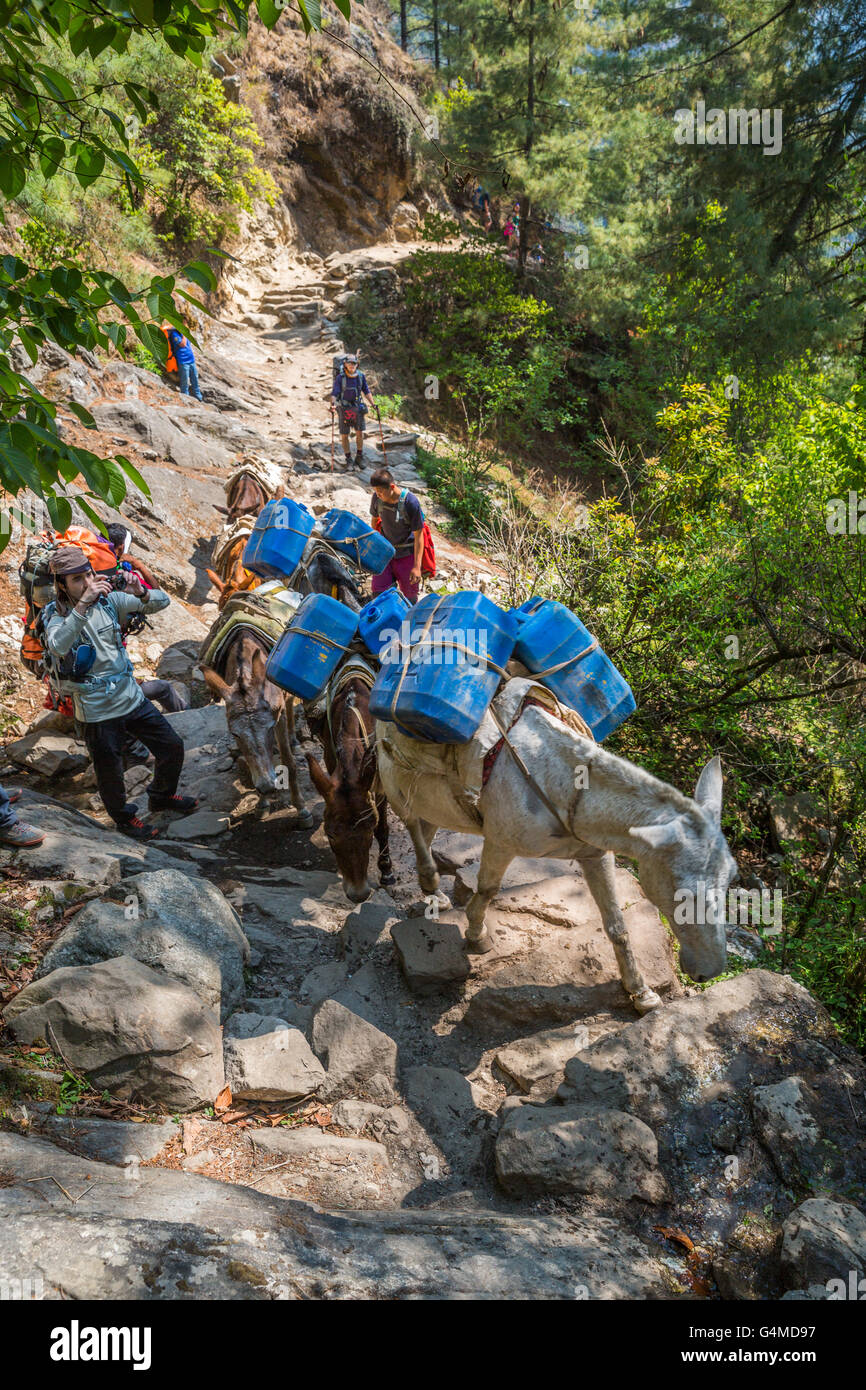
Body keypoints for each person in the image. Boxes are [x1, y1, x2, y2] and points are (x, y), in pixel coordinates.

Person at [43, 547, 198, 841]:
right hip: (96, 709)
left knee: (172, 746)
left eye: (89, 574)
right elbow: (58, 645)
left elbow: (162, 603)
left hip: (131, 698)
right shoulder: (57, 614)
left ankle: (161, 796)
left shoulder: (109, 600)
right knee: (110, 772)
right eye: (78, 579)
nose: (88, 583)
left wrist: (141, 593)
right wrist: (83, 606)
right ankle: (124, 820)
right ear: (62, 585)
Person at [369, 467, 425, 604]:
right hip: (386, 553)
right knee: (378, 593)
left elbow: (419, 536)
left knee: (409, 597)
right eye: (376, 491)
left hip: (406, 554)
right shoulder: (377, 498)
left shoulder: (410, 503)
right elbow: (374, 521)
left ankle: (407, 623)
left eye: (381, 492)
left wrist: (417, 567)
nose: (378, 495)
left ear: (392, 487)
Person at [330, 354, 375, 467]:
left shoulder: (360, 376)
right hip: (343, 407)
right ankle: (348, 458)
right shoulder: (340, 378)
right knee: (345, 434)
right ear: (345, 364)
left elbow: (366, 390)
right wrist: (333, 404)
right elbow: (335, 393)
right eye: (349, 363)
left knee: (359, 432)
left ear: (357, 364)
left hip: (357, 406)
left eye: (353, 363)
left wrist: (373, 404)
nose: (351, 365)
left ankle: (359, 457)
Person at [164, 320, 203, 402]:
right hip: (183, 362)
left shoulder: (184, 334)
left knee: (195, 381)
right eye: (184, 324)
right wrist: (184, 334)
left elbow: (188, 346)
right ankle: (185, 400)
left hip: (191, 360)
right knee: (185, 383)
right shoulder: (175, 334)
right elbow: (183, 344)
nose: (185, 325)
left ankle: (199, 399)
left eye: (185, 323)